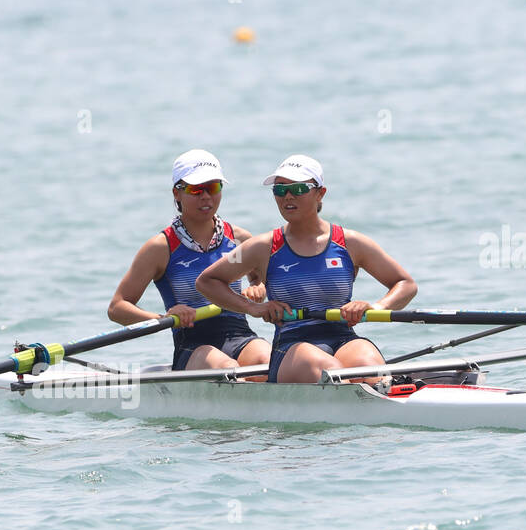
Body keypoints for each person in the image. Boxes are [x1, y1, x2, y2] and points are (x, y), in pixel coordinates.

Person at [196, 154, 416, 383]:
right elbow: (207, 281)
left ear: (320, 193)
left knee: (370, 366)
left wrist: (376, 307)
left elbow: (405, 284)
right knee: (331, 371)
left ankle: (382, 392)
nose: (288, 196)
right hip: (292, 345)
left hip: (343, 337)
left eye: (298, 189)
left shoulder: (351, 243)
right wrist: (252, 308)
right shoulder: (261, 247)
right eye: (280, 190)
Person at [108, 150, 270, 371]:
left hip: (240, 335)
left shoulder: (239, 240)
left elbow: (260, 279)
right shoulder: (161, 248)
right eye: (196, 189)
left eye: (213, 187)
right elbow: (117, 307)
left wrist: (258, 288)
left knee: (267, 360)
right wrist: (163, 317)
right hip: (192, 344)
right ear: (177, 193)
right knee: (227, 367)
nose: (206, 196)